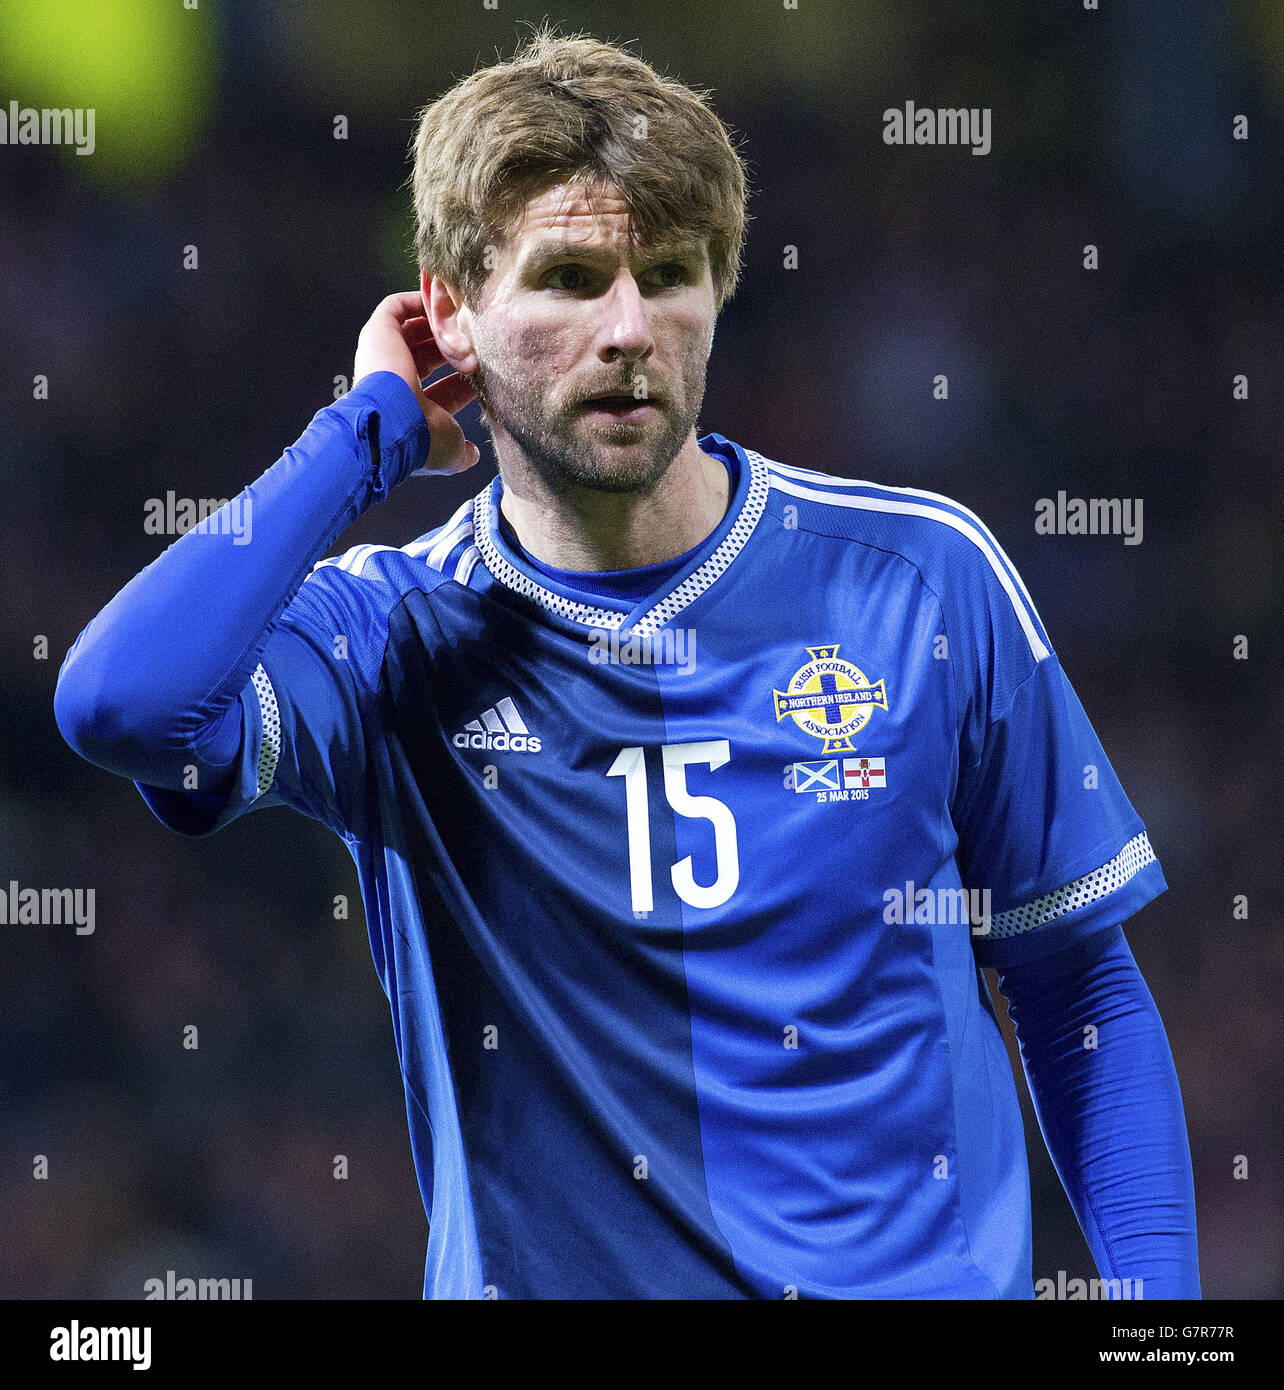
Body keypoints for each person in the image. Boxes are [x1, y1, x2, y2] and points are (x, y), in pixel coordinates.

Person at [54, 27, 1199, 1299]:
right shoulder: (390, 632)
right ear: (449, 314)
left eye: (670, 274)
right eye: (569, 277)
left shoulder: (923, 579)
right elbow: (123, 700)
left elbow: (1079, 991)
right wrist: (364, 433)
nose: (628, 329)